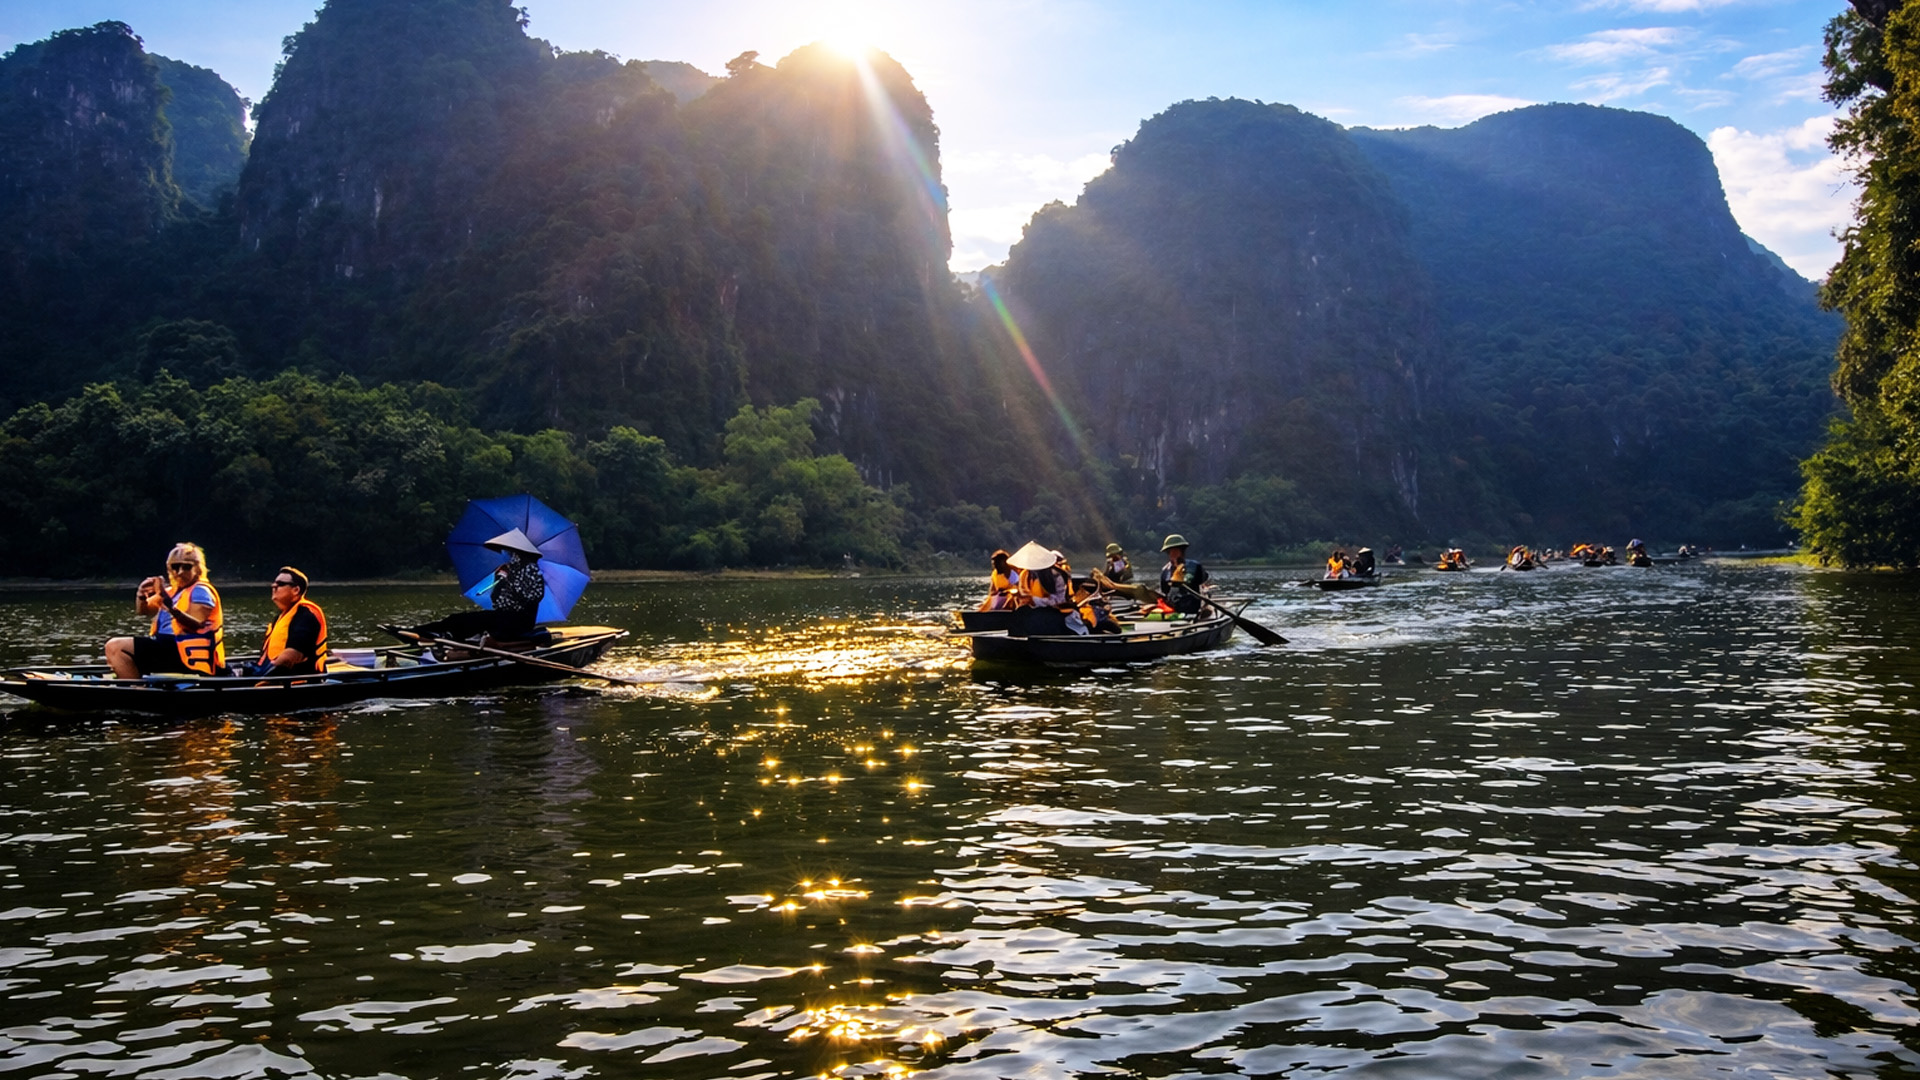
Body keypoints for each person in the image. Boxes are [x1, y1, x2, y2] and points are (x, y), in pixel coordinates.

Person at [106, 542, 226, 678]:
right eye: (175, 567)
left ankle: (136, 689)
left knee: (115, 646)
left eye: (186, 567)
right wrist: (141, 595)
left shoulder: (201, 590)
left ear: (197, 569)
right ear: (169, 569)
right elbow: (144, 611)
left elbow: (196, 624)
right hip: (166, 647)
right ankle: (134, 683)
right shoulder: (170, 591)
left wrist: (171, 607)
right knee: (119, 651)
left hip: (188, 655)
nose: (180, 572)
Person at [409, 529, 548, 643]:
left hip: (519, 622)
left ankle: (437, 634)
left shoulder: (531, 570)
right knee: (458, 619)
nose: (506, 554)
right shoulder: (510, 568)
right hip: (504, 617)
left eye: (508, 551)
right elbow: (497, 601)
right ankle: (418, 630)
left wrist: (509, 579)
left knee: (474, 621)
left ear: (517, 551)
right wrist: (499, 579)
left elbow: (531, 598)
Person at [249, 567, 329, 677]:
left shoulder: (306, 615)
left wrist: (262, 678)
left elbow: (292, 655)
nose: (274, 586)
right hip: (276, 678)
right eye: (274, 583)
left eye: (280, 584)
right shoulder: (280, 617)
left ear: (296, 590)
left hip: (298, 682)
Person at [1159, 534, 1211, 614]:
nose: (1173, 554)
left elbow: (1203, 578)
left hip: (1191, 608)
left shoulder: (1194, 566)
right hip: (1172, 610)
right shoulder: (1166, 571)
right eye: (1171, 552)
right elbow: (1164, 590)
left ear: (1182, 551)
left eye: (1176, 551)